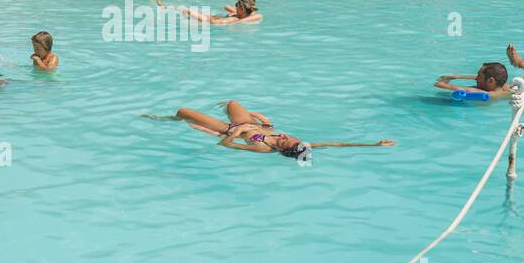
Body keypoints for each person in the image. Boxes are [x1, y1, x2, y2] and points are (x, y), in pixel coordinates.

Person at [168, 100, 394, 156]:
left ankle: (164, 120)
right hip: (253, 123)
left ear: (283, 149)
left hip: (229, 128)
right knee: (231, 103)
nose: (285, 136)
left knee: (183, 111)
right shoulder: (296, 144)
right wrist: (375, 144)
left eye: (285, 140)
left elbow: (225, 144)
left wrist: (235, 133)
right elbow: (336, 144)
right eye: (292, 137)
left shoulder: (263, 149)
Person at [161, 0, 261, 26]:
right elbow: (227, 7)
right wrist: (237, 10)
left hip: (210, 21)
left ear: (243, 8)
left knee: (186, 10)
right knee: (185, 11)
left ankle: (164, 8)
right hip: (211, 19)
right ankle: (165, 8)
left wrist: (239, 15)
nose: (235, 6)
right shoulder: (238, 14)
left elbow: (257, 16)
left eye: (236, 5)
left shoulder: (238, 19)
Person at [435, 61, 510, 98]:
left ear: (490, 81)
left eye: (479, 76)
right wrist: (458, 77)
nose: (476, 78)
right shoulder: (506, 88)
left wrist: (446, 79)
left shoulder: (478, 92)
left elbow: (439, 84)